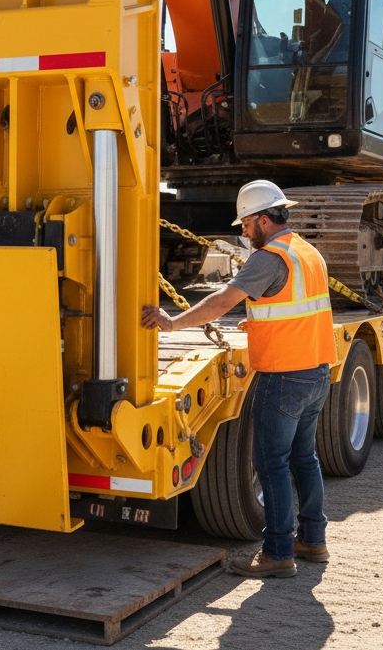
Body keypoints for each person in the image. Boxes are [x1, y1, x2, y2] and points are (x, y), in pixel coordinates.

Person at [142, 179, 337, 578]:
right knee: (304, 458)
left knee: (272, 464)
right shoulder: (307, 252)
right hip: (316, 371)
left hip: (284, 376)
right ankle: (313, 541)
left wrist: (172, 324)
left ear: (265, 220)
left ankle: (279, 552)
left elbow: (221, 301)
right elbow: (296, 310)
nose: (243, 232)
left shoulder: (268, 258)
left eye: (246, 224)